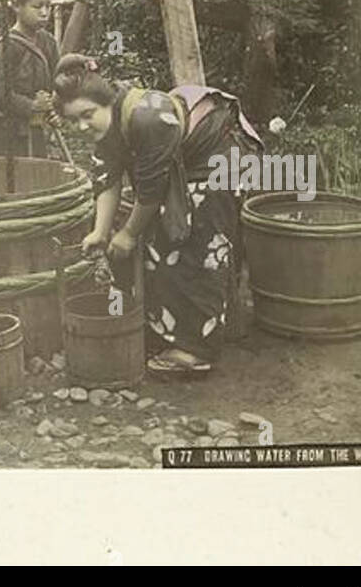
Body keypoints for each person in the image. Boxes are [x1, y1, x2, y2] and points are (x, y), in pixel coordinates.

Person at [53, 55, 264, 376]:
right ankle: (169, 329)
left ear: (105, 103)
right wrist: (100, 231)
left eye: (87, 115)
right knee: (158, 243)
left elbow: (151, 192)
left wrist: (127, 234)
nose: (81, 126)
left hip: (220, 156)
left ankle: (196, 349)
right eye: (72, 121)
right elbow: (107, 178)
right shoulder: (107, 126)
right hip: (183, 162)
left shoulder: (147, 118)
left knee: (201, 247)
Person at [0, 0, 60, 158]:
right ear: (16, 5)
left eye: (48, 6)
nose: (44, 13)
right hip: (8, 133)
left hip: (36, 130)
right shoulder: (8, 46)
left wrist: (54, 109)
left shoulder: (49, 42)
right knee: (13, 181)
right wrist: (31, 105)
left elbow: (56, 81)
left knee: (39, 177)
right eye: (37, 7)